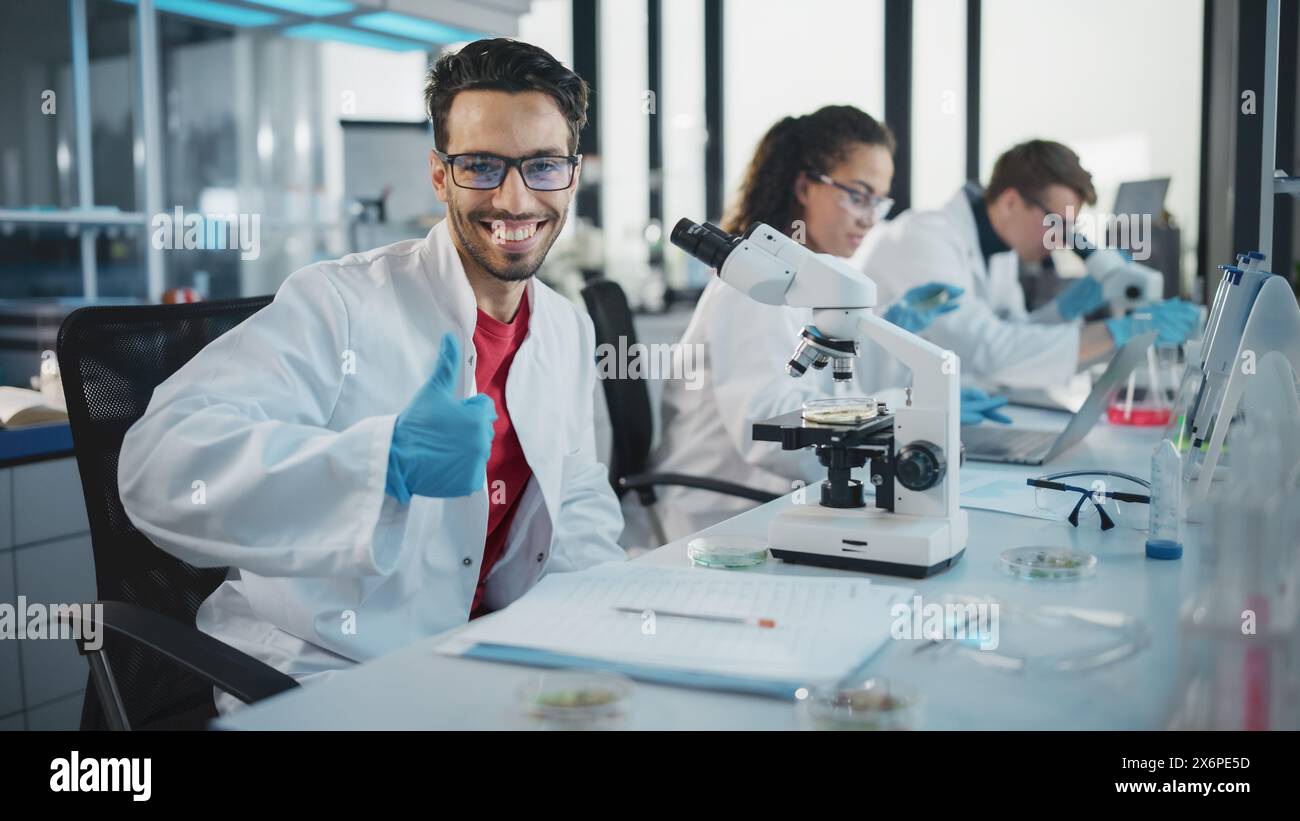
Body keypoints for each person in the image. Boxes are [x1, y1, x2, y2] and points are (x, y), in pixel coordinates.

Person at [118, 39, 625, 713]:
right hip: (328, 666)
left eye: (542, 166)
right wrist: (385, 464)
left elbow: (579, 492)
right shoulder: (340, 305)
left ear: (572, 172)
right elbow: (156, 466)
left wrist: (605, 618)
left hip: (486, 659)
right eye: (480, 165)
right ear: (439, 176)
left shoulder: (565, 326)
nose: (514, 197)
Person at [649, 106, 965, 543]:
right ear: (804, 186)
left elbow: (827, 396)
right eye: (858, 195)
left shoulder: (818, 284)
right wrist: (901, 408)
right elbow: (769, 431)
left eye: (879, 201)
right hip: (723, 513)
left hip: (776, 499)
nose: (870, 218)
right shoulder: (756, 285)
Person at [853, 139, 1200, 390]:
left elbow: (1017, 333)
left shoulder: (1001, 252)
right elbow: (988, 351)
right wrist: (1120, 332)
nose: (1061, 241)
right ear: (1010, 201)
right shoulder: (925, 239)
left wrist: (1064, 310)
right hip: (872, 417)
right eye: (1056, 224)